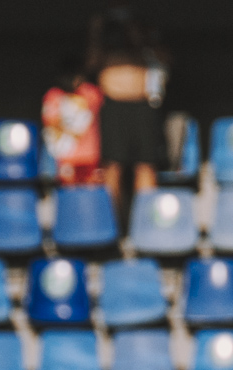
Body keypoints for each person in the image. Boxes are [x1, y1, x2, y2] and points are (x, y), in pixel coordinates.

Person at [86, 9, 169, 218]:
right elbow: (91, 64)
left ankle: (147, 224)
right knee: (112, 167)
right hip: (113, 107)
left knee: (146, 165)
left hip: (144, 106)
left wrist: (141, 36)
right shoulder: (104, 45)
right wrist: (97, 33)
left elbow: (167, 60)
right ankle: (110, 226)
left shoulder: (146, 45)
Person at [42, 56, 104, 186]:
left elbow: (97, 101)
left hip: (90, 156)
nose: (77, 81)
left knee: (90, 189)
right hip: (64, 155)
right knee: (68, 190)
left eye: (79, 77)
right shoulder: (53, 95)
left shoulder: (90, 92)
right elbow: (50, 122)